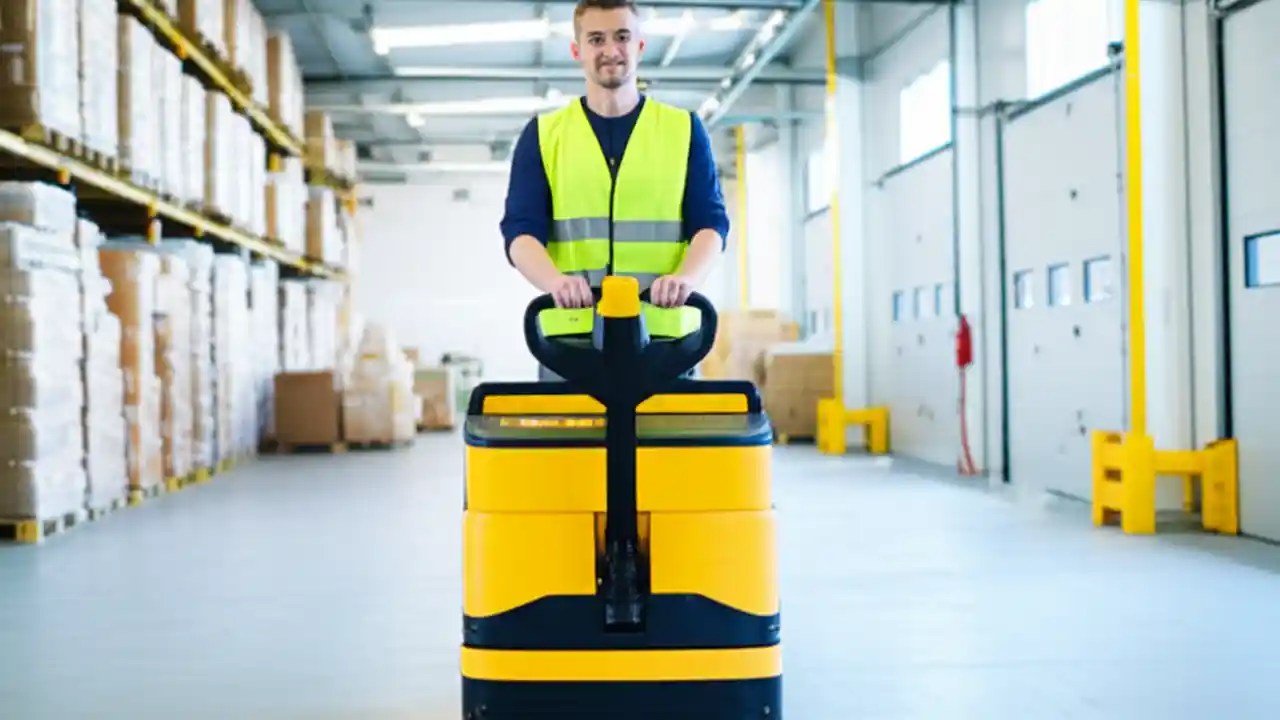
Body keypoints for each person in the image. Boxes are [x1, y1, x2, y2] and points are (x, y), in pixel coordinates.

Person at [500, 0, 729, 317]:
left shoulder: (684, 130)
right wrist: (555, 282)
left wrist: (685, 279)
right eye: (596, 39)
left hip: (662, 332)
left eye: (622, 37)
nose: (611, 50)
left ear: (640, 46)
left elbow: (711, 225)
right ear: (576, 50)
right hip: (573, 331)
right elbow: (520, 233)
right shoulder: (543, 135)